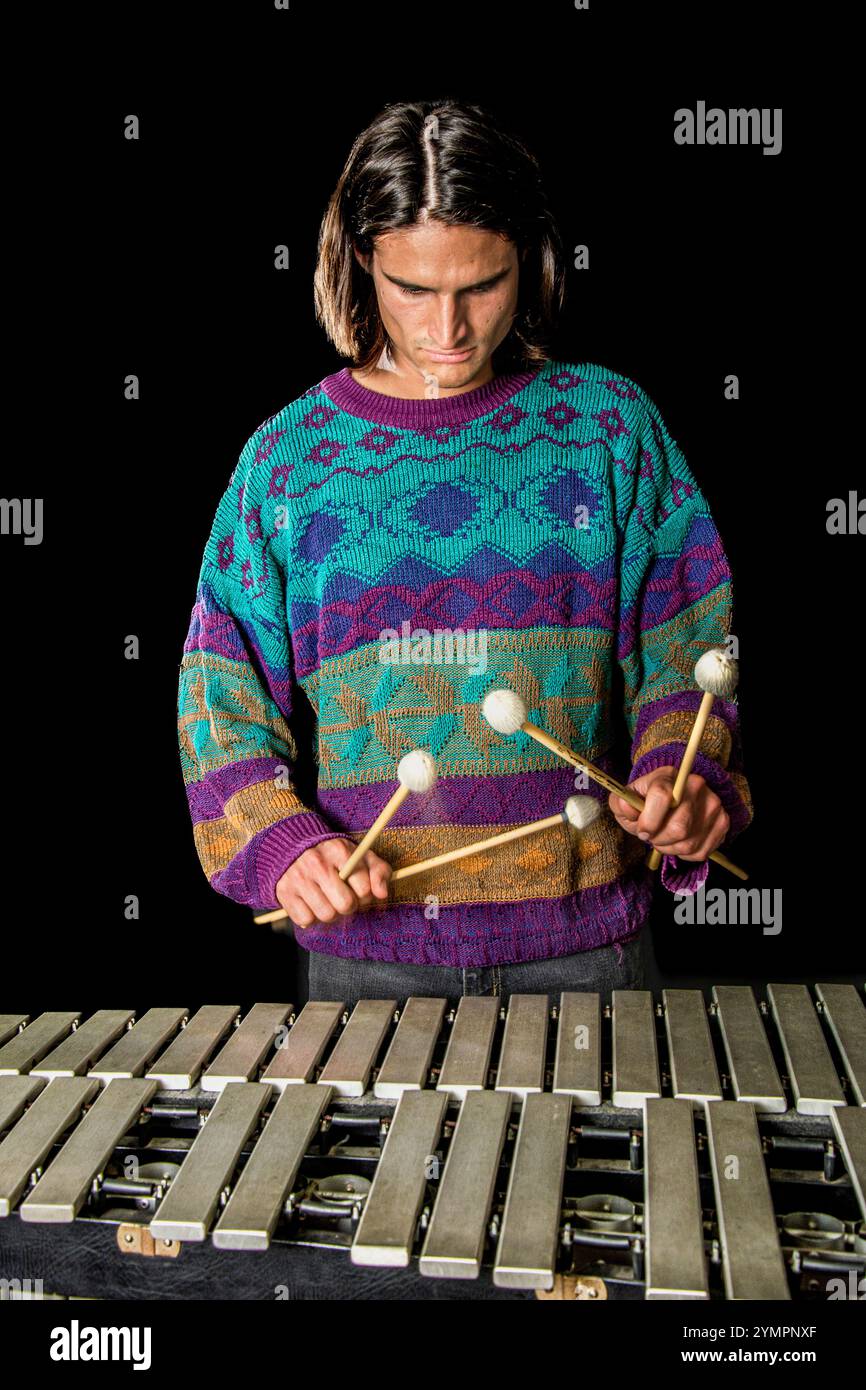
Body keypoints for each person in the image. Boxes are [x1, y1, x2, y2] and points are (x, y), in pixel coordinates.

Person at [177, 99, 753, 1007]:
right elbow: (221, 693)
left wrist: (683, 773)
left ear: (530, 257)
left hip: (587, 947)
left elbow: (690, 642)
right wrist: (286, 848)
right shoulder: (285, 461)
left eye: (482, 285)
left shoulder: (609, 427)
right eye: (413, 289)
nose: (448, 328)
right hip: (369, 958)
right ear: (364, 261)